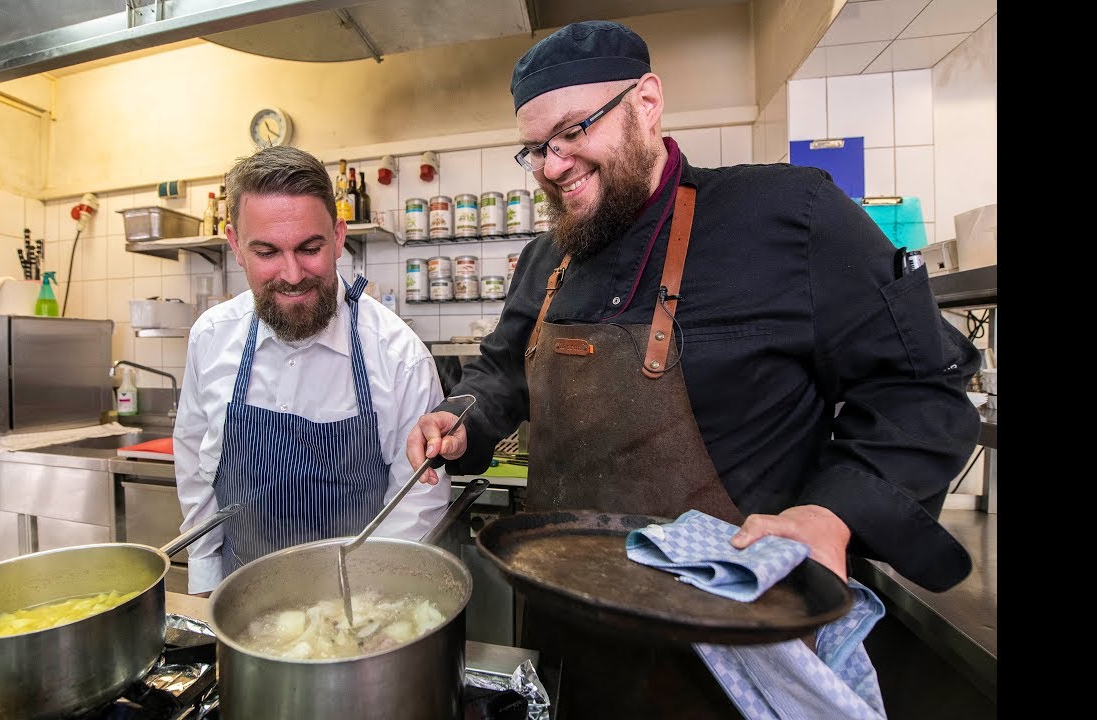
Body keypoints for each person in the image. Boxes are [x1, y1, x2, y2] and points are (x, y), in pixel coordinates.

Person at [406, 20, 981, 718]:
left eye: (573, 132)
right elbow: (501, 373)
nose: (552, 165)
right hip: (570, 632)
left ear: (646, 102)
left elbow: (921, 390)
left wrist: (833, 514)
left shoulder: (787, 217)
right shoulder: (545, 261)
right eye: (535, 149)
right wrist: (461, 418)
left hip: (732, 649)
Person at [174, 145, 451, 597]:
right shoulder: (210, 338)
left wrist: (364, 613)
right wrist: (205, 579)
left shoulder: (399, 356)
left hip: (357, 604)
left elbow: (417, 503)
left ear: (338, 237)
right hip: (240, 597)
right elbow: (194, 467)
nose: (292, 274)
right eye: (266, 251)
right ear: (235, 246)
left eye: (310, 248)